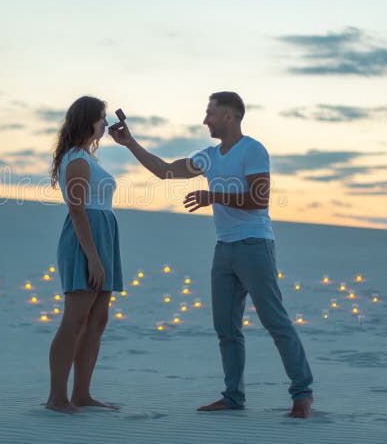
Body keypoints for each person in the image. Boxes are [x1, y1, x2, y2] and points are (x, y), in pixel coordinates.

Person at [108, 91, 314, 418]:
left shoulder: (253, 150)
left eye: (210, 114)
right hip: (225, 249)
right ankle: (233, 397)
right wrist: (130, 143)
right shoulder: (209, 156)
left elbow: (259, 199)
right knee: (226, 328)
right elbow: (165, 171)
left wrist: (212, 195)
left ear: (229, 117)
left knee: (275, 321)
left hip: (255, 245)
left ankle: (302, 393)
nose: (205, 120)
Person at [46, 95, 123, 414]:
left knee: (97, 319)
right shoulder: (76, 159)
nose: (105, 123)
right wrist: (92, 257)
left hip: (103, 236)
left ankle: (82, 394)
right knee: (75, 318)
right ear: (87, 120)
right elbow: (77, 210)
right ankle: (57, 398)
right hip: (86, 239)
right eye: (102, 117)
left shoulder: (88, 158)